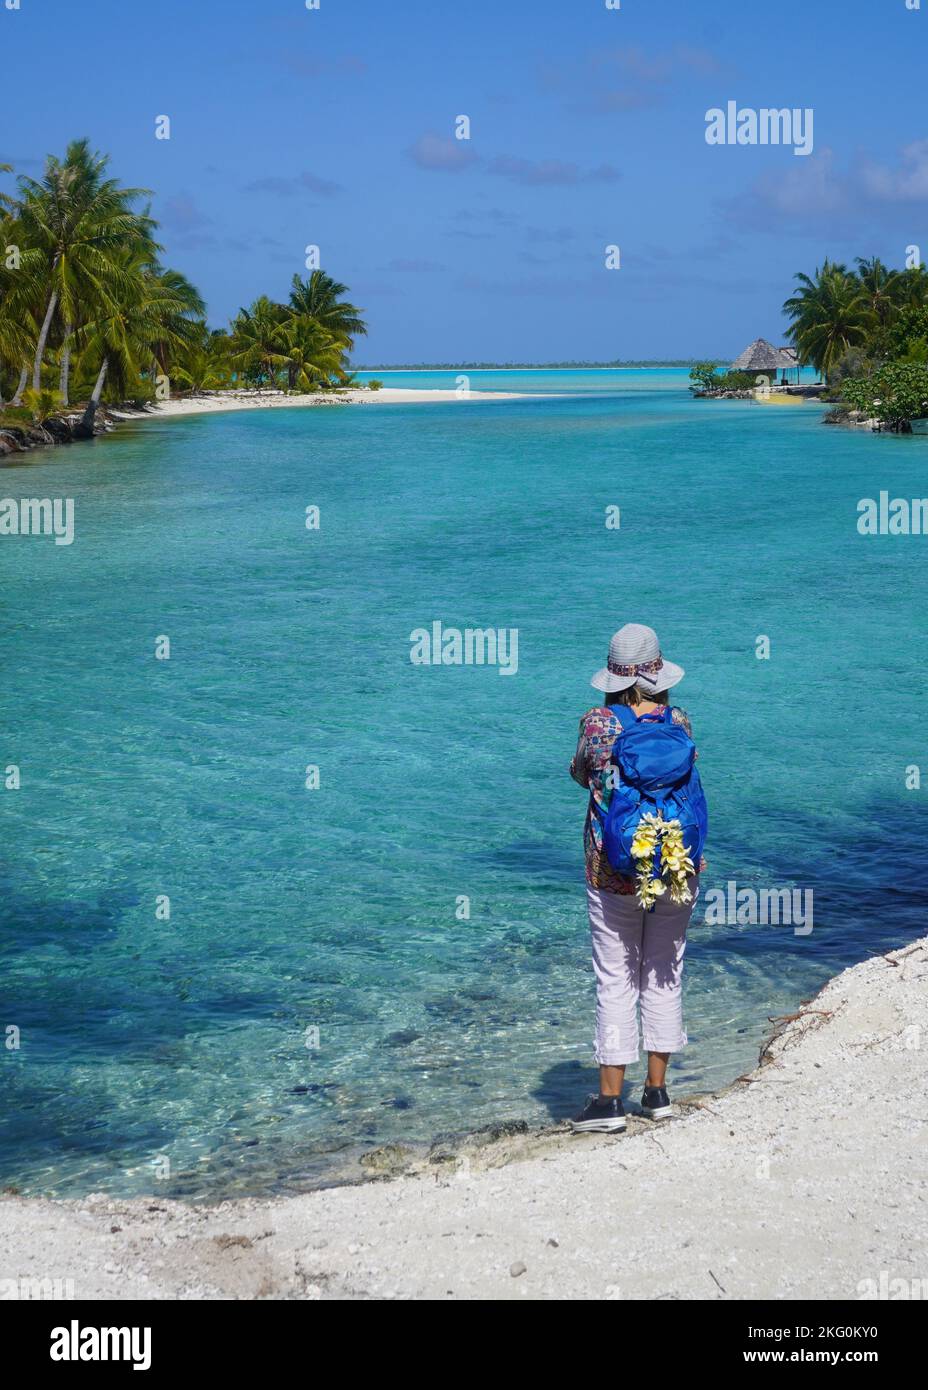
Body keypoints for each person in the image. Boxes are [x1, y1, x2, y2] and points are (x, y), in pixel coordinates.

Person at [568, 623, 701, 1133]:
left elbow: (581, 774)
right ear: (659, 673)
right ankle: (658, 1092)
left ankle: (608, 1105)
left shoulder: (598, 723)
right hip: (677, 867)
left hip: (613, 870)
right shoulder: (680, 720)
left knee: (616, 981)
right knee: (664, 973)